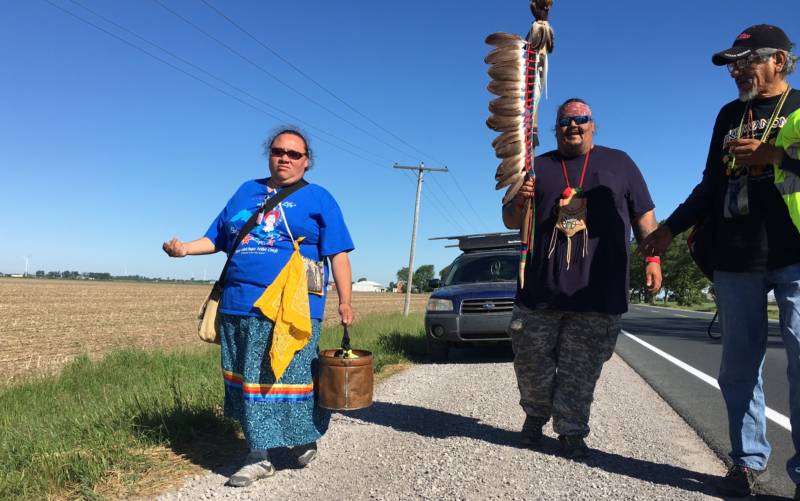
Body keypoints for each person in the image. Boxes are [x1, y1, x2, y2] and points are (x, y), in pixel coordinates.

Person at [642, 25, 800, 498]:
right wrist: (668, 229)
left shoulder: (798, 107)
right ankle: (747, 462)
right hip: (735, 258)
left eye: (746, 61)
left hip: (795, 254)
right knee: (738, 368)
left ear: (779, 61)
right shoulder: (730, 115)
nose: (736, 72)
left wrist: (775, 156)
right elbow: (711, 184)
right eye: (733, 65)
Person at [163, 128, 354, 487]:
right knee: (247, 379)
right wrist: (185, 249)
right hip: (239, 303)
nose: (285, 158)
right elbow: (217, 238)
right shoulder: (245, 191)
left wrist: (346, 301)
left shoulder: (319, 198)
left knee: (293, 377)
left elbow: (338, 254)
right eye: (278, 151)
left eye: (294, 154)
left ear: (306, 161)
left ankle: (300, 436)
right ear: (269, 154)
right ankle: (259, 455)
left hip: (294, 308)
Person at [502, 98, 661, 459]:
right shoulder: (535, 166)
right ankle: (535, 415)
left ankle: (571, 431)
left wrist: (653, 257)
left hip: (597, 291)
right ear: (555, 128)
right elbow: (511, 220)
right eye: (564, 121)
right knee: (530, 365)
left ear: (593, 125)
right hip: (539, 291)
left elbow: (645, 215)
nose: (573, 126)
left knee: (581, 371)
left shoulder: (620, 163)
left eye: (581, 119)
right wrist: (520, 199)